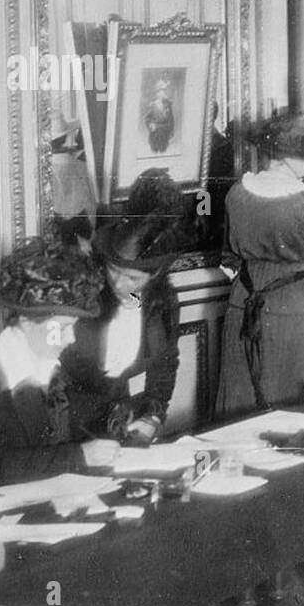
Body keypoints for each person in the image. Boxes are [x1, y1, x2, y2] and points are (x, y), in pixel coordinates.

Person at [0, 238, 120, 491]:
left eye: (72, 328)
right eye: (62, 328)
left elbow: (84, 419)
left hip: (47, 496)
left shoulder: (56, 364)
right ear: (27, 321)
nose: (71, 338)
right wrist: (79, 456)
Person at [216, 113, 304, 415]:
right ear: (292, 158)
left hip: (243, 300)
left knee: (242, 397)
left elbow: (229, 256)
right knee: (295, 400)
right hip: (294, 305)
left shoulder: (237, 192)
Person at [59, 169, 184, 446]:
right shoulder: (82, 289)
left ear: (155, 276)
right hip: (64, 422)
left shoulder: (155, 302)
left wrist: (152, 417)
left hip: (117, 422)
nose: (118, 283)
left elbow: (164, 364)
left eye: (133, 278)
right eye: (114, 270)